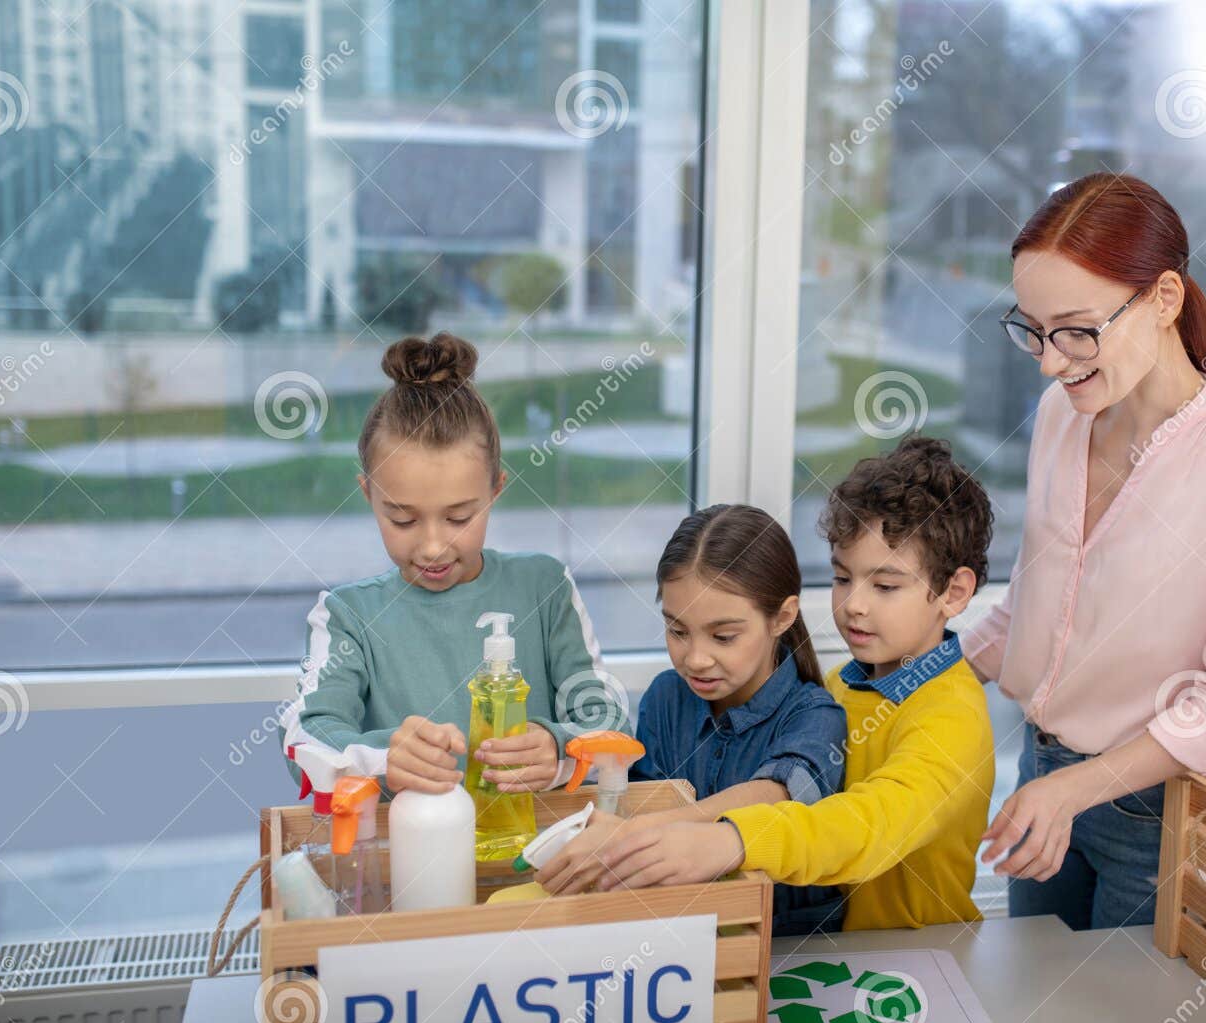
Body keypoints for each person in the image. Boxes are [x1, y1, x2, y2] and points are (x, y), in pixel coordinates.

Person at [968, 173, 1206, 930]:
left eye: (1076, 330)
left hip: (1151, 818)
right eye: (1033, 330)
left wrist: (1075, 789)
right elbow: (1035, 596)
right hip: (1041, 774)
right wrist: (910, 680)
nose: (1050, 362)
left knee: (1118, 1006)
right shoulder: (1063, 416)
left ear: (1164, 298)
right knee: (1037, 994)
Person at [587, 437, 998, 932]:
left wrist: (732, 838)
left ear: (954, 592)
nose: (853, 605)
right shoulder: (843, 686)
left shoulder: (952, 715)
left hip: (919, 951)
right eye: (843, 578)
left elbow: (868, 823)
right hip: (836, 949)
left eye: (885, 586)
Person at [280, 332, 624, 797]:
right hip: (404, 843)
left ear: (496, 490)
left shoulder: (545, 588)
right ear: (368, 494)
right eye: (402, 519)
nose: (433, 547)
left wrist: (559, 749)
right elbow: (303, 742)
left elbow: (611, 725)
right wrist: (384, 760)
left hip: (538, 842)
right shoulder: (347, 617)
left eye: (459, 518)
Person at [539, 504, 846, 935]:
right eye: (678, 631)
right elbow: (646, 798)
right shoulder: (666, 699)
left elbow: (777, 795)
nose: (696, 659)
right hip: (682, 937)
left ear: (782, 617)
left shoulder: (816, 716)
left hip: (787, 944)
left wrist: (633, 833)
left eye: (723, 637)